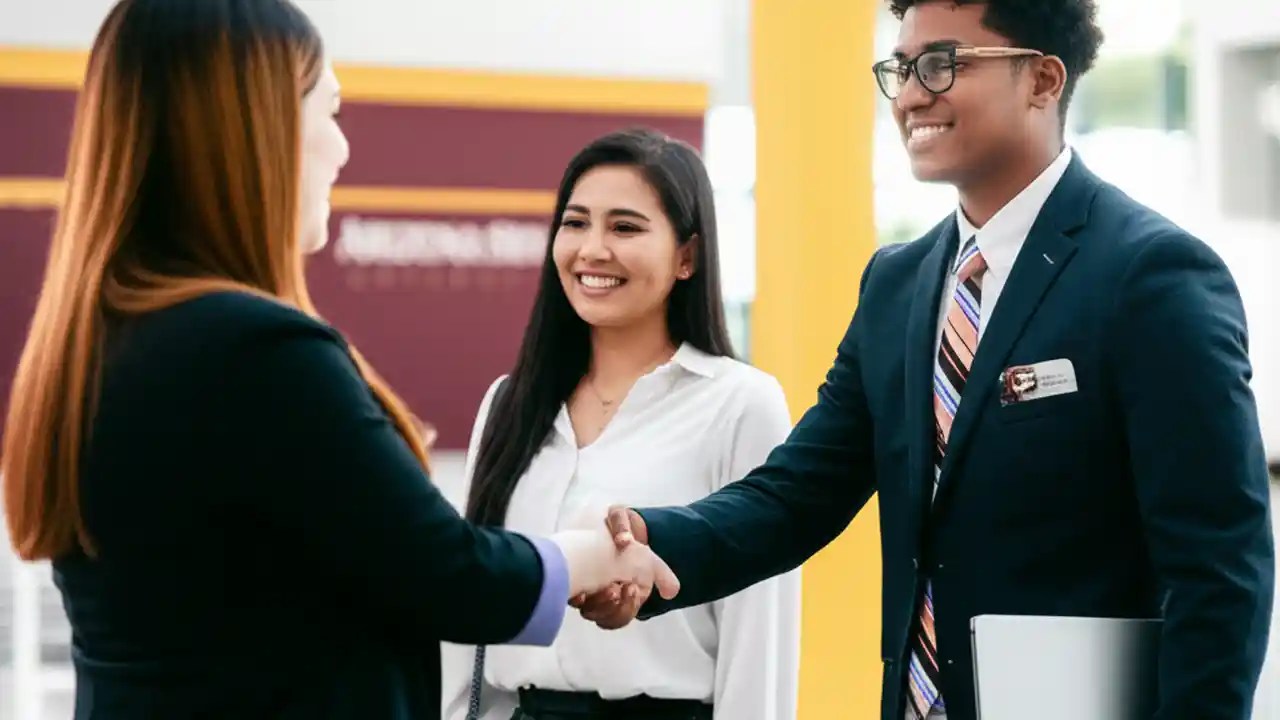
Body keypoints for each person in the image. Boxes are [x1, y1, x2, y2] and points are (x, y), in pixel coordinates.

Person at [577, 2, 1276, 720]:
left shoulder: (1149, 276)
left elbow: (1220, 574)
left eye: (943, 64)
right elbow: (794, 497)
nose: (911, 94)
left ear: (1041, 79)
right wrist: (650, 542)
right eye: (901, 67)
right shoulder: (897, 285)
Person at [0, 1, 676, 718]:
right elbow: (449, 577)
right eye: (329, 111)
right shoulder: (255, 353)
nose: (343, 150)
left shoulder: (104, 342)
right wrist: (593, 555)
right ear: (256, 129)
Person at [440, 129, 801, 720]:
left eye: (625, 227)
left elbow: (759, 635)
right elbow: (470, 611)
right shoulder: (510, 402)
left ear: (687, 256)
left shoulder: (741, 403)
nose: (592, 249)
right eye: (576, 223)